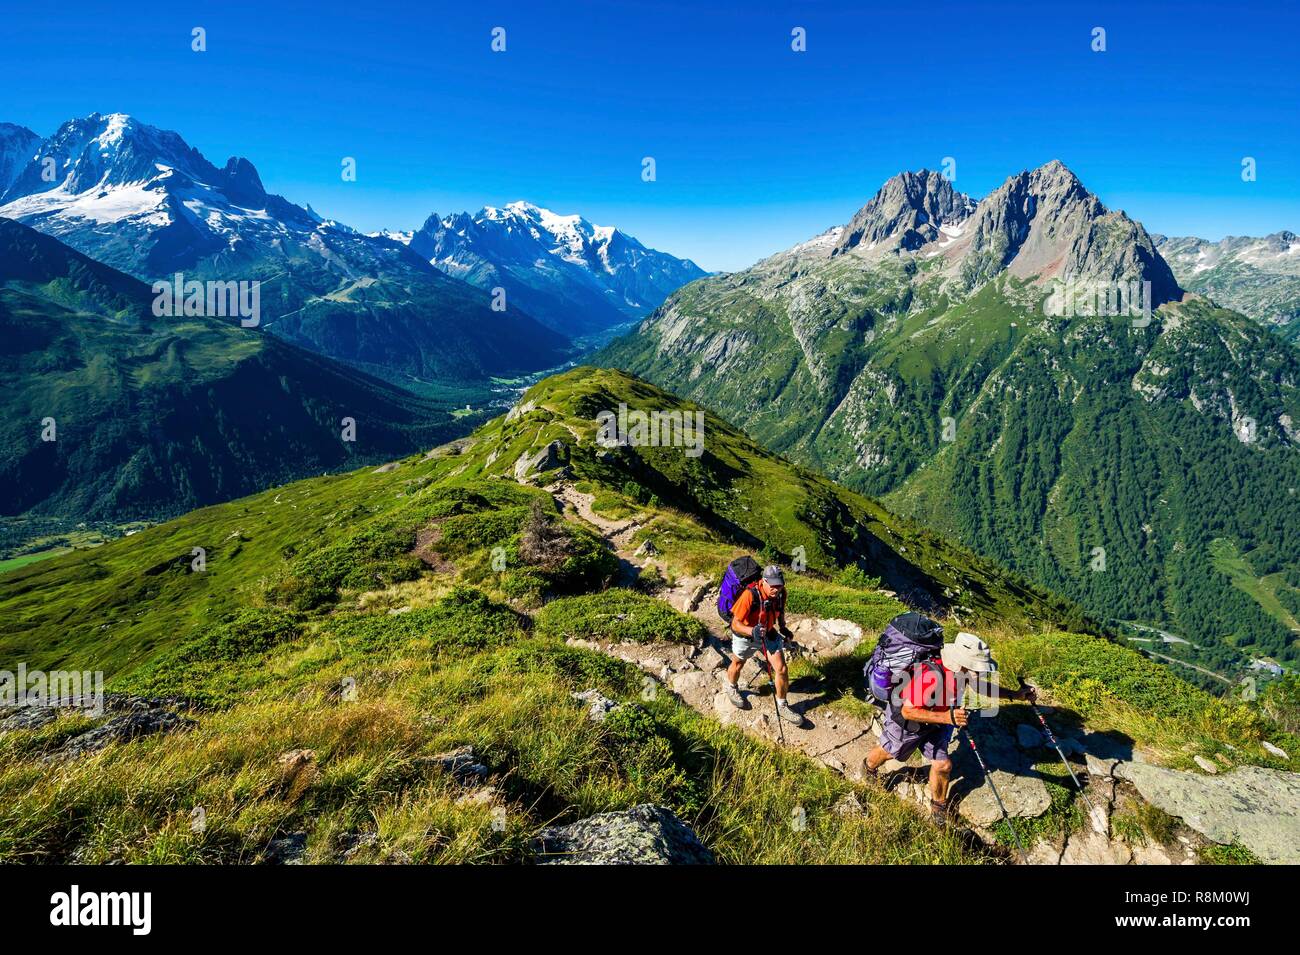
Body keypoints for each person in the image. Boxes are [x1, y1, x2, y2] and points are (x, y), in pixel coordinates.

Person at [861, 631, 1035, 822]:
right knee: (890, 751)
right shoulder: (931, 676)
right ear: (962, 664)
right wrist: (947, 717)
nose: (981, 673)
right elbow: (908, 711)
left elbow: (980, 687)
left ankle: (939, 807)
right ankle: (868, 768)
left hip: (939, 721)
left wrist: (1015, 695)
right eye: (977, 669)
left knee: (943, 765)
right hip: (908, 722)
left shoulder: (963, 672)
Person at [723, 565, 802, 725]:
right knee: (738, 663)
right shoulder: (749, 595)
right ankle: (732, 687)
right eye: (773, 585)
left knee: (782, 669)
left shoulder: (781, 594)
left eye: (779, 585)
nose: (776, 589)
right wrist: (752, 631)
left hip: (769, 632)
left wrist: (783, 627)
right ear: (763, 581)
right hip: (746, 635)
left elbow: (780, 611)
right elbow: (735, 624)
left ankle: (782, 704)